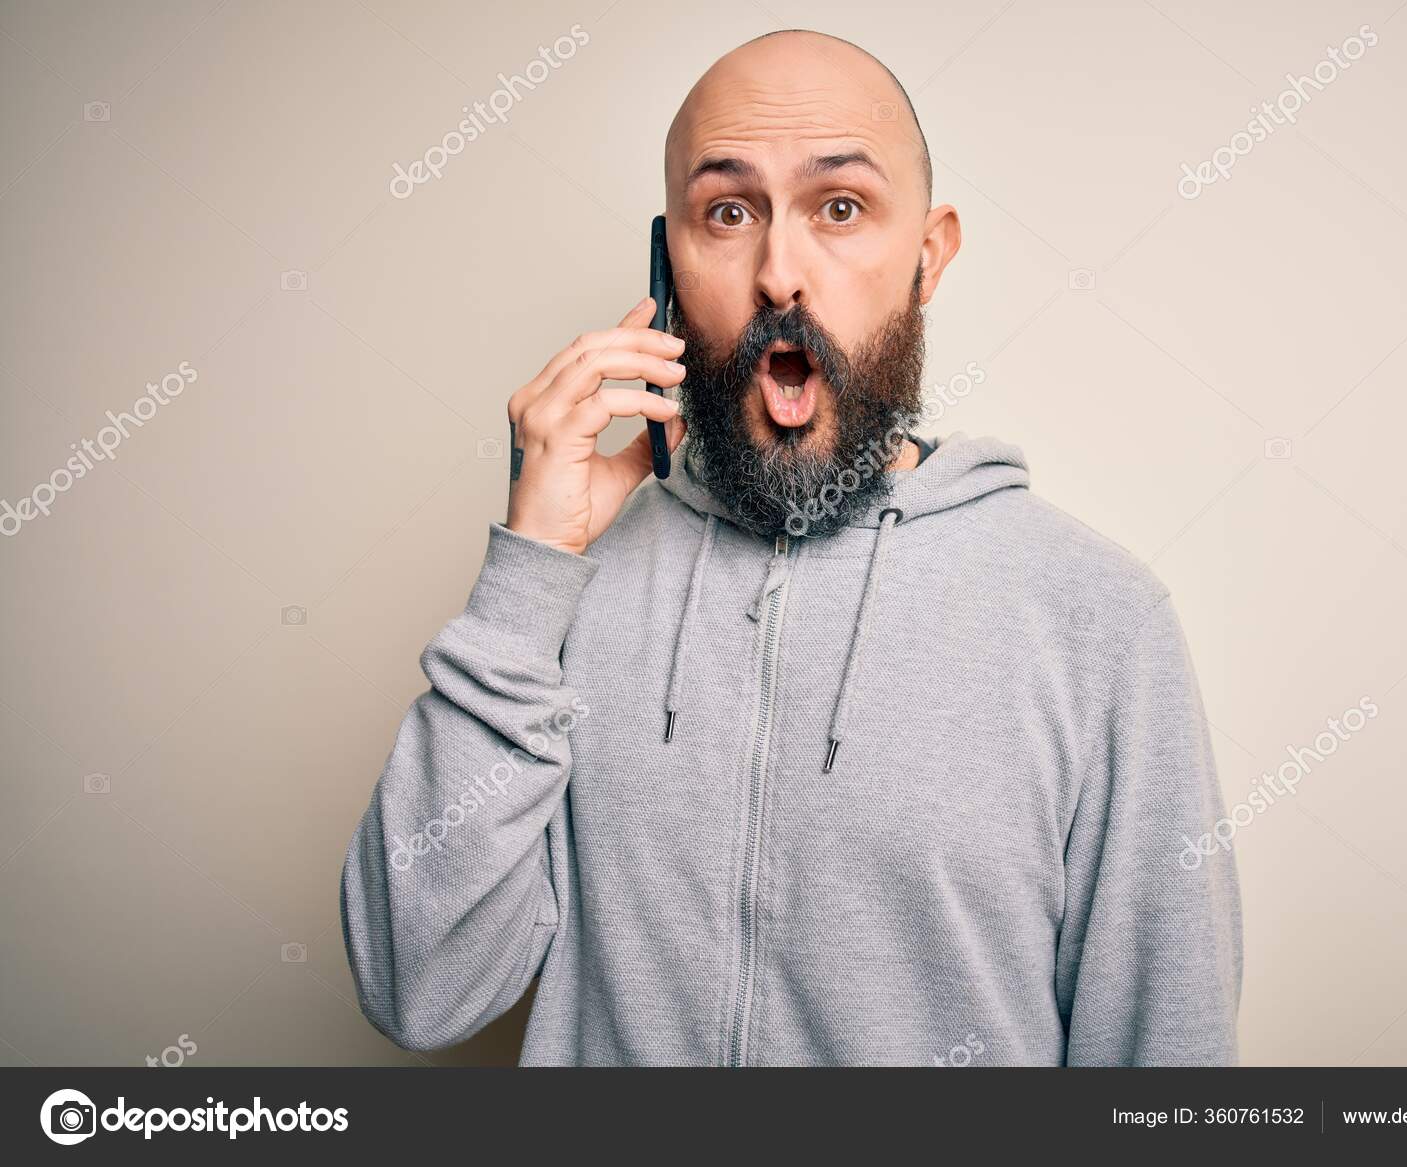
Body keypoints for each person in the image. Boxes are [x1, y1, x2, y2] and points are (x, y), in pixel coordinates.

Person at [340, 28, 1242, 1066]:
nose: (779, 274)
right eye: (727, 213)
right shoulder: (564, 596)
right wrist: (528, 573)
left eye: (841, 209)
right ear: (668, 263)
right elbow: (418, 989)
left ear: (928, 254)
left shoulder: (1094, 622)